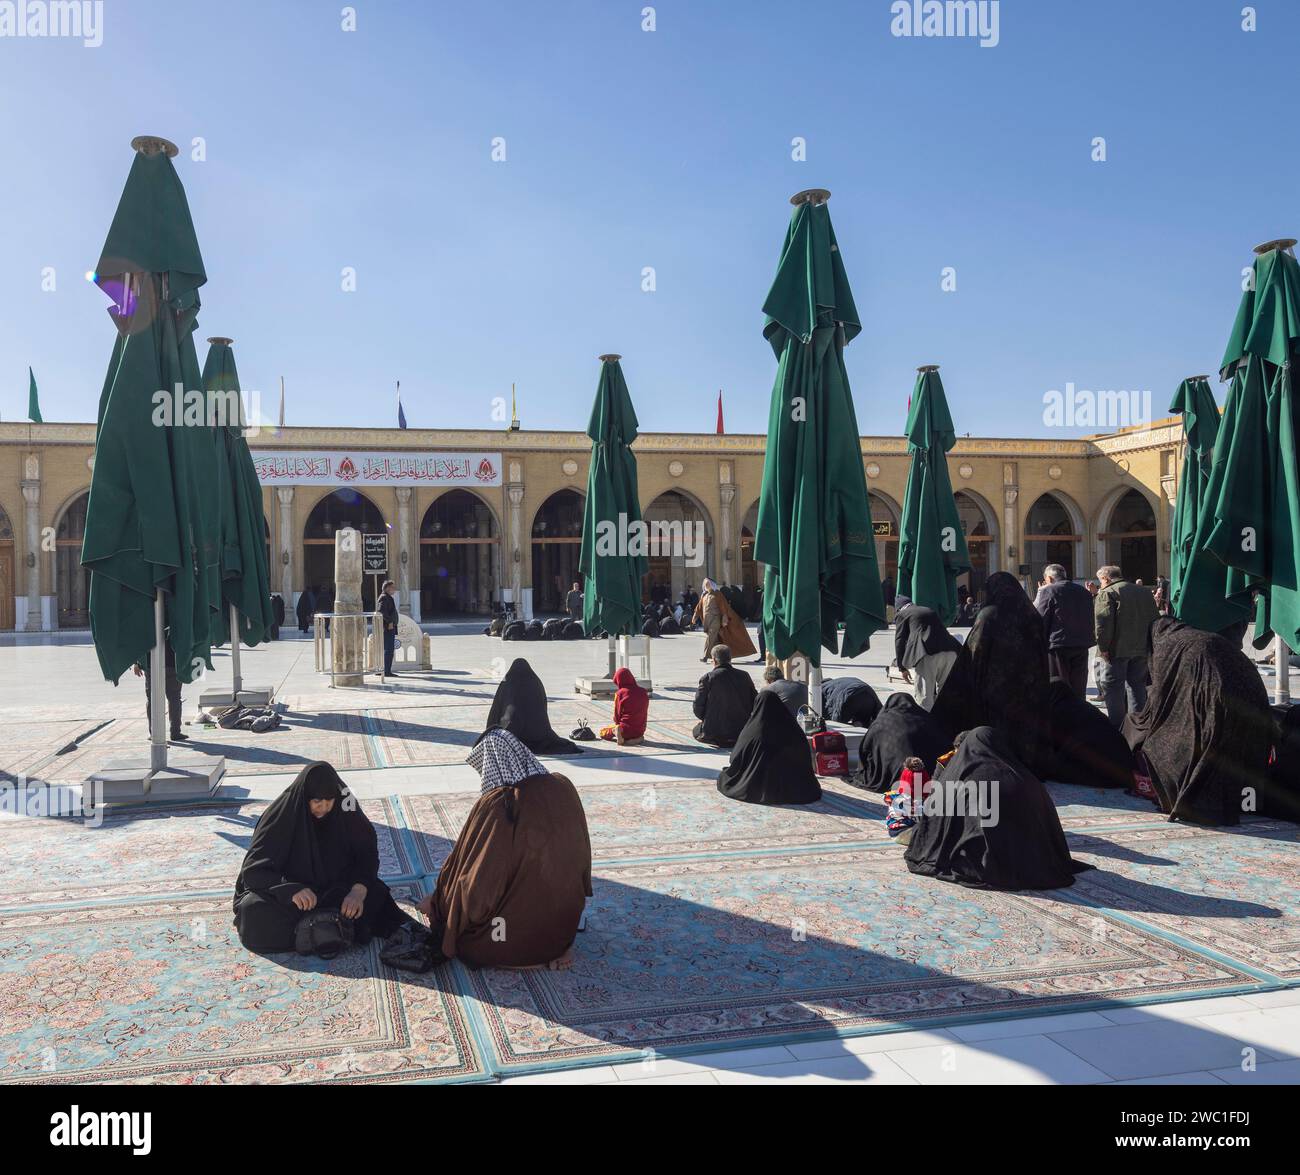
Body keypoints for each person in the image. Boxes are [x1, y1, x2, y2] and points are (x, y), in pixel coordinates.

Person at [419, 728, 592, 968]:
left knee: (467, 945)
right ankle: (558, 949)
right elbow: (583, 854)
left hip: (515, 940)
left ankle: (532, 961)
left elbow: (479, 888)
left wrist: (444, 909)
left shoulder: (503, 804)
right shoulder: (563, 786)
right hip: (564, 925)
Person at [233, 761, 413, 954]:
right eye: (317, 802)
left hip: (336, 888)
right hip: (294, 896)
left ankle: (321, 928)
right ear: (305, 798)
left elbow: (366, 854)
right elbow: (253, 871)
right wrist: (291, 889)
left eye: (329, 802)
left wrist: (358, 891)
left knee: (377, 895)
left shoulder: (346, 806)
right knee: (253, 910)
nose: (323, 809)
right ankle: (329, 928)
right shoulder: (282, 814)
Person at [1123, 618, 1273, 826]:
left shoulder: (1167, 645)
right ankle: (1246, 802)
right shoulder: (1196, 638)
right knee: (1238, 745)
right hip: (1254, 696)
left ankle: (1194, 801)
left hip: (1216, 697)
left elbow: (1160, 704)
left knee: (1168, 742)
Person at [904, 726, 1093, 890]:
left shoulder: (960, 778)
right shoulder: (1026, 778)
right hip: (1032, 859)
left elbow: (934, 820)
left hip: (979, 861)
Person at [928, 571, 1052, 775]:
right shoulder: (1032, 616)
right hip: (1029, 690)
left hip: (995, 692)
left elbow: (973, 655)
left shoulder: (989, 615)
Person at [716, 691, 822, 805]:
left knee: (725, 777)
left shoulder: (751, 732)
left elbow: (735, 758)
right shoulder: (794, 730)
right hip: (797, 789)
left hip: (756, 787)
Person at [1094, 564, 1159, 727]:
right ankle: (1138, 727)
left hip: (1116, 650)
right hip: (1142, 648)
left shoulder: (1108, 592)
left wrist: (1103, 648)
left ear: (1105, 578)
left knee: (1112, 688)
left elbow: (1103, 624)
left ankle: (1118, 727)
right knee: (1137, 687)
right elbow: (1155, 619)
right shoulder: (1144, 592)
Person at [1039, 679, 1136, 789]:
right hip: (1124, 768)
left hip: (1109, 775)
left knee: (1046, 767)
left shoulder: (1060, 711)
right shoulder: (1080, 706)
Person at [856, 691, 951, 792]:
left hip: (898, 775)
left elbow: (864, 749)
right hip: (931, 773)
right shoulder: (926, 718)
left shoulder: (882, 722)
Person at [485, 657, 581, 754]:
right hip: (537, 734)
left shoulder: (508, 683)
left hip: (511, 735)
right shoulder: (535, 682)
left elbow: (497, 709)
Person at [1033, 564, 1096, 700]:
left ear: (1049, 578)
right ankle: (1078, 716)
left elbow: (1038, 618)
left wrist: (1039, 593)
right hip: (1081, 644)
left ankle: (1062, 718)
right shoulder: (1083, 591)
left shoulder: (1047, 591)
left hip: (1058, 646)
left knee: (1060, 688)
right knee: (1078, 687)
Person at [892, 596, 962, 711]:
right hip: (950, 652)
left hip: (927, 654)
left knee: (924, 697)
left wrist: (902, 667)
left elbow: (899, 640)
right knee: (945, 695)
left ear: (899, 609)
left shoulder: (902, 614)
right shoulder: (927, 609)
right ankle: (946, 724)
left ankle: (926, 726)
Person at [692, 644, 757, 747]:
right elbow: (755, 700)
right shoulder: (744, 675)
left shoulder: (708, 678)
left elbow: (698, 705)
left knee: (696, 731)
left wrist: (706, 718)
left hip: (715, 732)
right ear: (730, 658)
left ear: (714, 660)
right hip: (741, 730)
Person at [132, 638, 186, 743]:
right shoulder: (175, 621)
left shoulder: (147, 621)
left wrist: (136, 662)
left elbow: (138, 638)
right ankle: (175, 732)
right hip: (171, 664)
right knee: (174, 698)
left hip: (152, 664)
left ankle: (154, 733)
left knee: (153, 699)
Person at [691, 578, 756, 661]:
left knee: (711, 637)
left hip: (715, 620)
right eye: (705, 584)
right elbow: (698, 607)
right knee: (716, 639)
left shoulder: (717, 594)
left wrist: (724, 618)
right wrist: (694, 617)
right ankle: (721, 657)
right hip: (707, 621)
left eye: (708, 583)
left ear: (712, 584)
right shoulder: (704, 595)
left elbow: (723, 607)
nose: (706, 585)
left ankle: (705, 656)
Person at [599, 666, 649, 745]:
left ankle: (617, 731)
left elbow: (617, 715)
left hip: (624, 729)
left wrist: (617, 725)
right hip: (640, 730)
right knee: (640, 736)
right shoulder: (643, 692)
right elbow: (644, 712)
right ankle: (635, 739)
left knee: (603, 732)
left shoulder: (620, 694)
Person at [378, 579, 400, 676]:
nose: (394, 589)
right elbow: (381, 611)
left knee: (387, 649)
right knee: (389, 649)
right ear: (387, 588)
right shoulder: (384, 597)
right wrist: (390, 622)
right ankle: (386, 671)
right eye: (392, 588)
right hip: (387, 627)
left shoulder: (388, 597)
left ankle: (383, 669)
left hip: (389, 627)